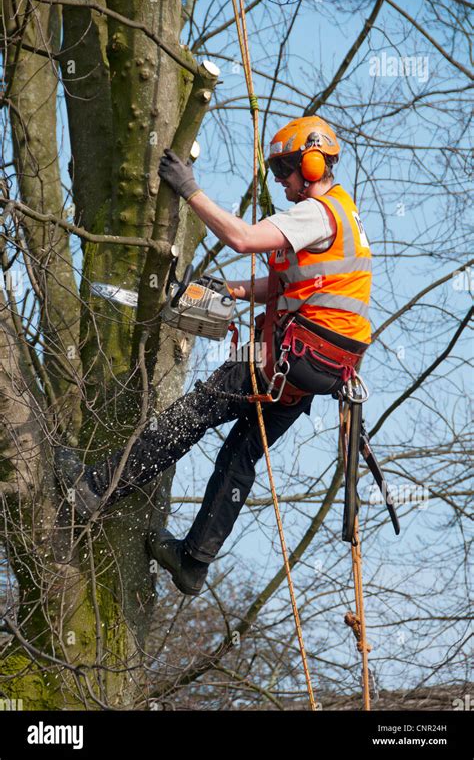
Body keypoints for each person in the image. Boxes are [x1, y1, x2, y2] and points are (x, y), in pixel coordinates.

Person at [56, 116, 372, 595]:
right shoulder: (341, 217)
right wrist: (229, 291)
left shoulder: (318, 212)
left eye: (284, 170)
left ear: (310, 164)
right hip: (317, 369)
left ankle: (95, 488)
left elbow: (242, 238)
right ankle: (193, 561)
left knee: (195, 411)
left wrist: (189, 190)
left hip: (290, 354)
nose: (280, 182)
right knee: (240, 454)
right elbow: (286, 285)